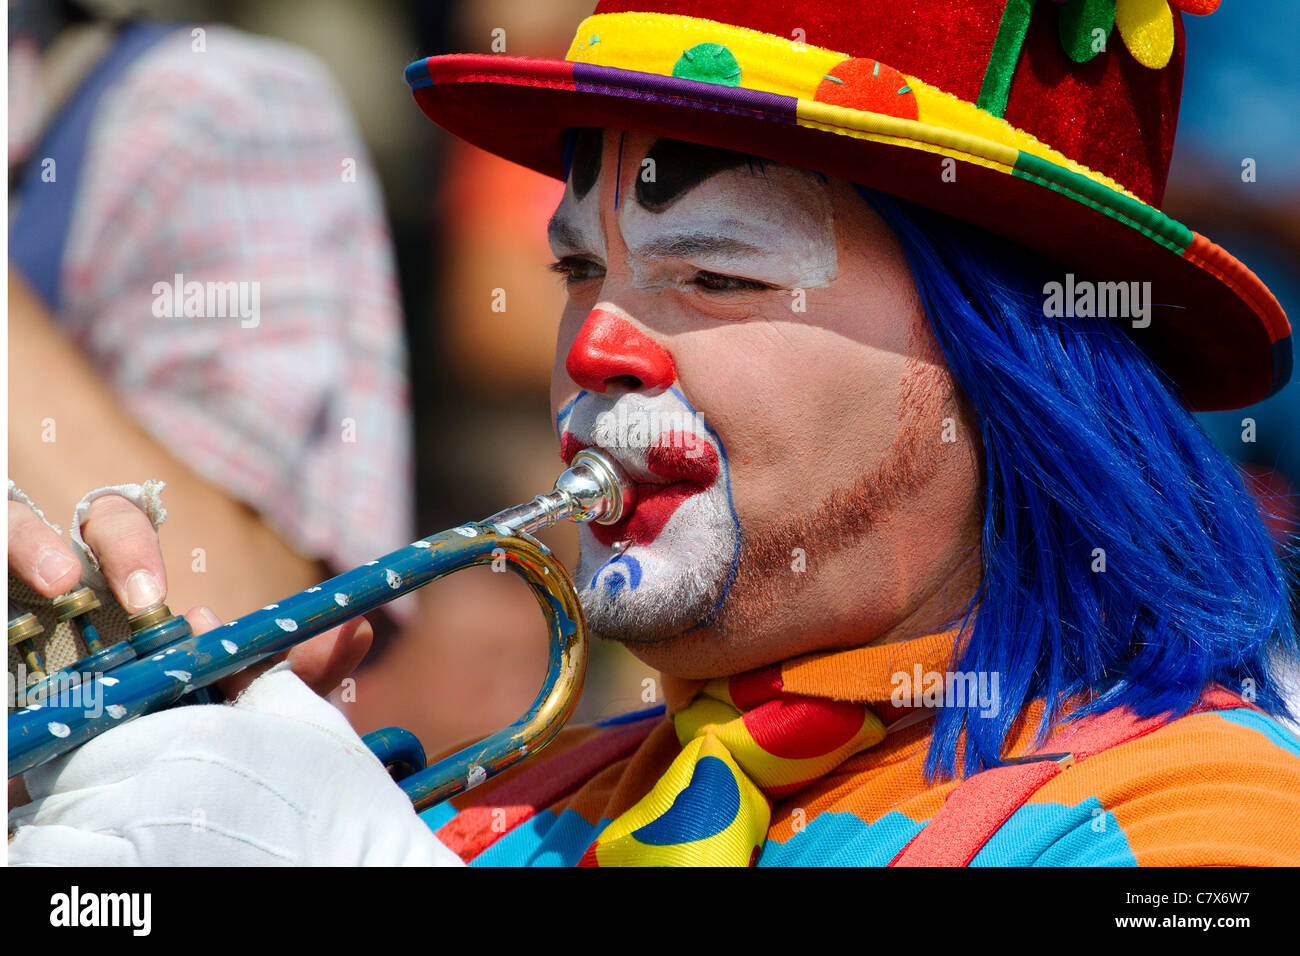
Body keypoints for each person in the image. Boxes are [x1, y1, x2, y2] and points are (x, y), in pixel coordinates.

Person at [9, 0, 1300, 866]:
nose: (593, 347)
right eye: (580, 269)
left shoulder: (1206, 824)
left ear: (1005, 362)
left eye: (718, 276)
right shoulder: (513, 813)